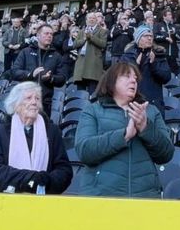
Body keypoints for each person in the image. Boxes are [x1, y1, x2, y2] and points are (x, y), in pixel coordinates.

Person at [74, 62, 173, 198]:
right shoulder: (93, 110)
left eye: (135, 78)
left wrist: (145, 128)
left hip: (144, 197)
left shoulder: (150, 111)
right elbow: (84, 150)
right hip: (101, 197)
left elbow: (166, 153)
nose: (133, 80)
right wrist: (124, 135)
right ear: (111, 81)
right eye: (127, 76)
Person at [0, 82, 72, 194]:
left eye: (37, 98)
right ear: (16, 105)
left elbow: (64, 170)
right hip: (5, 201)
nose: (34, 102)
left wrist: (46, 181)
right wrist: (31, 179)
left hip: (43, 201)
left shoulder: (52, 132)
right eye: (28, 98)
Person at [8, 24, 66, 116]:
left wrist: (51, 78)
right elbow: (14, 72)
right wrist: (30, 74)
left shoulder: (57, 56)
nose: (49, 36)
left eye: (51, 34)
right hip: (25, 100)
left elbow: (62, 78)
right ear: (38, 36)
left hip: (45, 103)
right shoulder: (26, 52)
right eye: (46, 33)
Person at [121, 26, 171, 115]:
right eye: (145, 36)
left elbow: (166, 77)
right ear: (138, 38)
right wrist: (136, 65)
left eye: (151, 36)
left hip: (154, 103)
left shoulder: (159, 55)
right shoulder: (127, 56)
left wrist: (153, 64)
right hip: (134, 102)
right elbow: (122, 77)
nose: (149, 38)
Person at [72, 12, 108, 93]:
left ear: (96, 20)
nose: (91, 20)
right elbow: (74, 45)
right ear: (86, 20)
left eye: (93, 18)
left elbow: (103, 44)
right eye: (89, 18)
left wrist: (91, 37)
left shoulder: (102, 31)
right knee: (80, 94)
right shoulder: (81, 31)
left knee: (92, 92)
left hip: (93, 65)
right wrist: (84, 39)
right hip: (81, 64)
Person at [154, 10, 180, 75]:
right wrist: (165, 38)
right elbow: (155, 36)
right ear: (164, 16)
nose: (171, 16)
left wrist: (175, 33)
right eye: (169, 14)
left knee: (175, 73)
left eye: (171, 14)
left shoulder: (174, 26)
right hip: (162, 54)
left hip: (173, 54)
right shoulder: (158, 25)